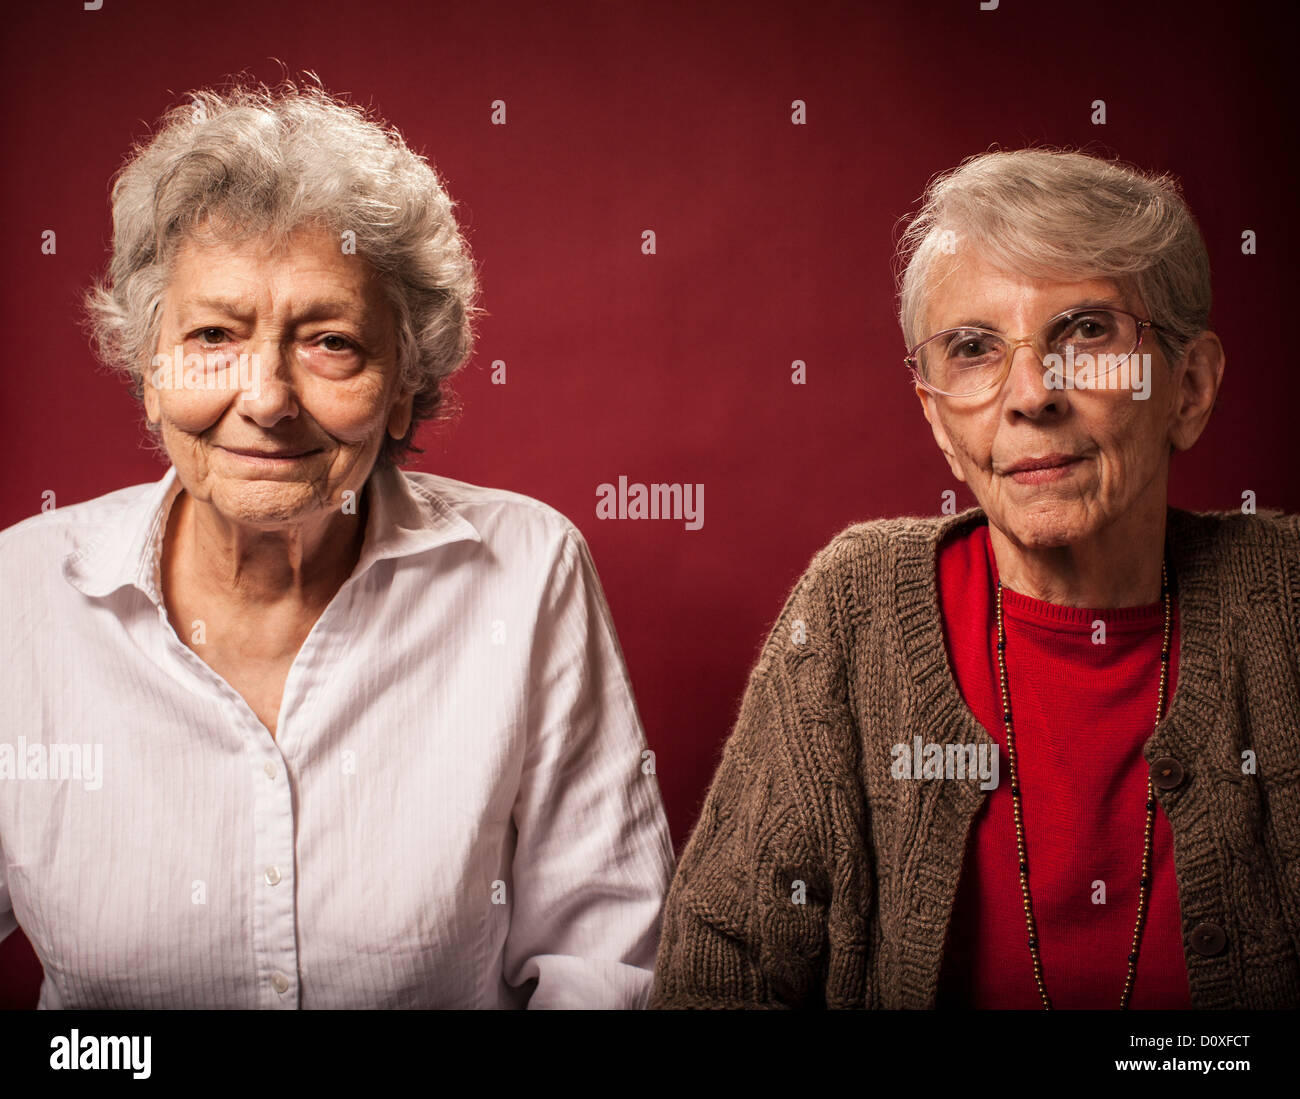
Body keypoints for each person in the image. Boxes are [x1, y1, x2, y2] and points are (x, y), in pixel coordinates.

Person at [0, 79, 673, 1009]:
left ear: (405, 386)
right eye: (212, 335)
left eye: (331, 344)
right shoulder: (19, 597)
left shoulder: (527, 572)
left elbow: (605, 959)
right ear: (148, 373)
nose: (267, 398)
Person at [650, 148, 1299, 1009]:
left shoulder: (1285, 602)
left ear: (1189, 385)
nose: (1031, 394)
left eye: (1088, 330)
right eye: (973, 348)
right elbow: (715, 979)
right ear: (939, 423)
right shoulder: (856, 613)